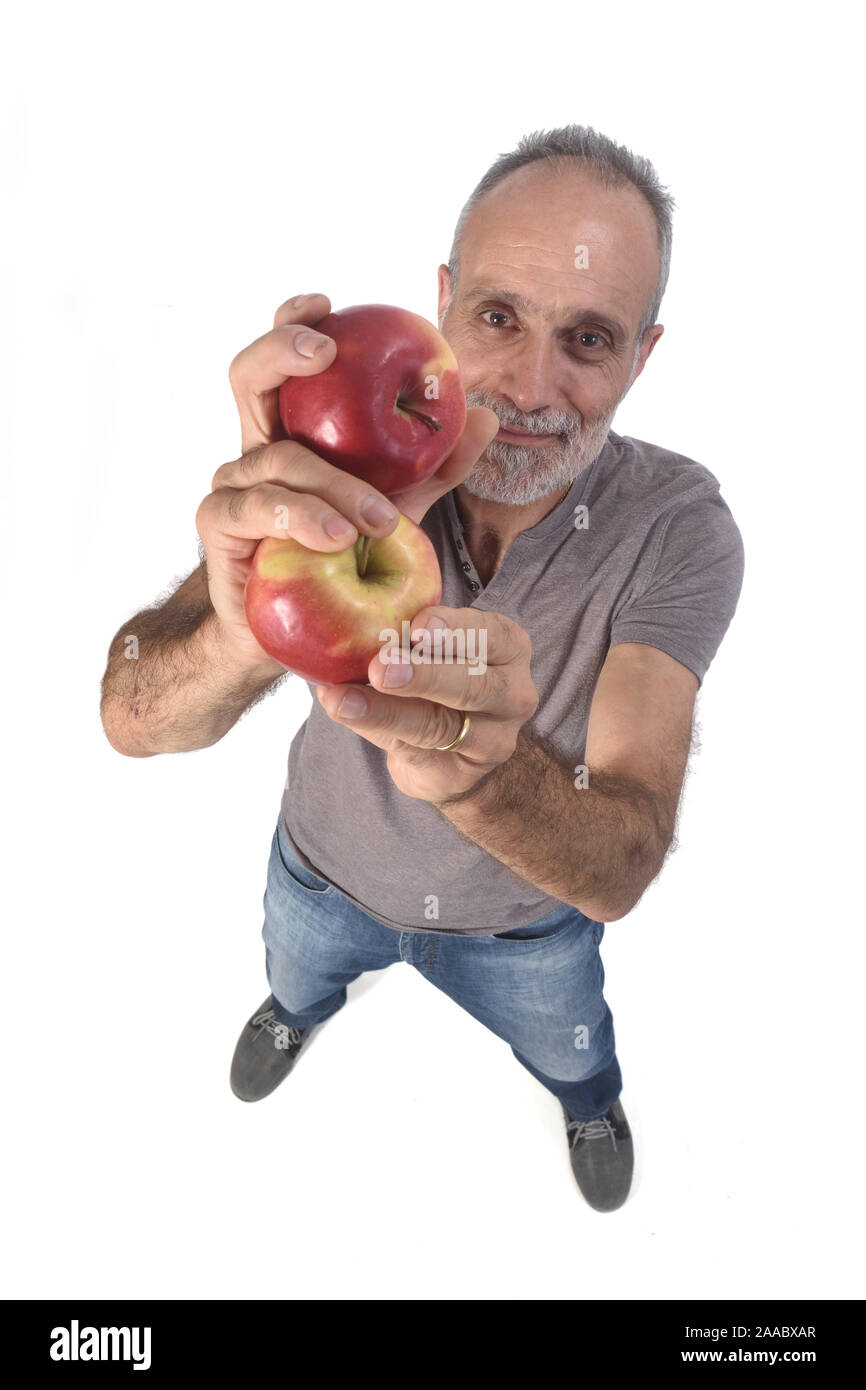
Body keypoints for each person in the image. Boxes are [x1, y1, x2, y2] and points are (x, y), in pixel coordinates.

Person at [100, 124, 745, 1213]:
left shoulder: (676, 528)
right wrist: (246, 620)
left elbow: (623, 857)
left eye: (586, 339)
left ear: (641, 356)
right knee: (293, 974)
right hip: (318, 879)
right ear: (441, 300)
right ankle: (295, 1012)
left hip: (526, 932)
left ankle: (585, 1097)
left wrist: (479, 778)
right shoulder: (337, 473)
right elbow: (131, 718)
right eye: (496, 317)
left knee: (569, 1043)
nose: (528, 387)